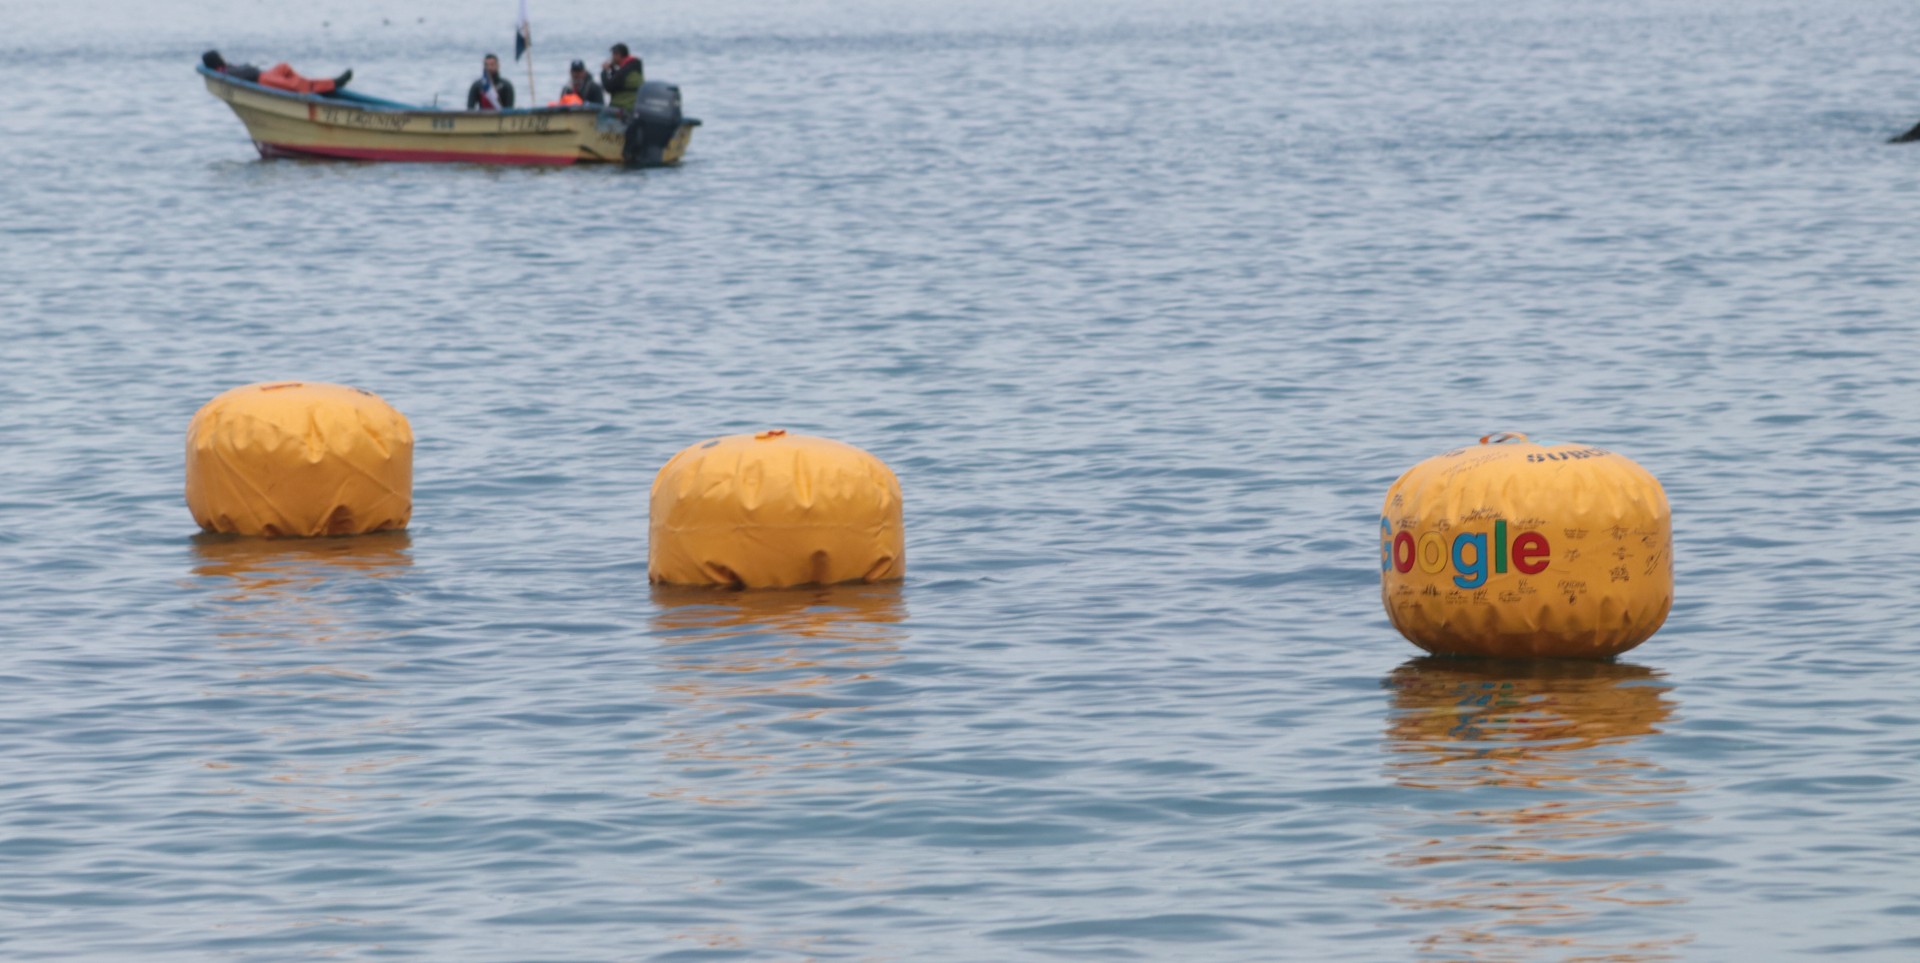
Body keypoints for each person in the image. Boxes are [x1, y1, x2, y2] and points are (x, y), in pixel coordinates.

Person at [202, 50, 350, 94]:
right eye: (219, 56)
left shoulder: (226, 68)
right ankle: (331, 84)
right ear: (215, 60)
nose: (222, 57)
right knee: (295, 85)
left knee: (283, 66)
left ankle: (307, 86)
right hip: (261, 81)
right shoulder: (223, 73)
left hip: (263, 74)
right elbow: (243, 76)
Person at [600, 43, 644, 112]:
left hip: (623, 107)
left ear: (618, 55)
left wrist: (604, 72)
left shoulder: (625, 71)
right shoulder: (634, 67)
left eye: (613, 55)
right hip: (631, 105)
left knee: (599, 116)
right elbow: (617, 82)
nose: (612, 58)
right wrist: (612, 68)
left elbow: (608, 87)